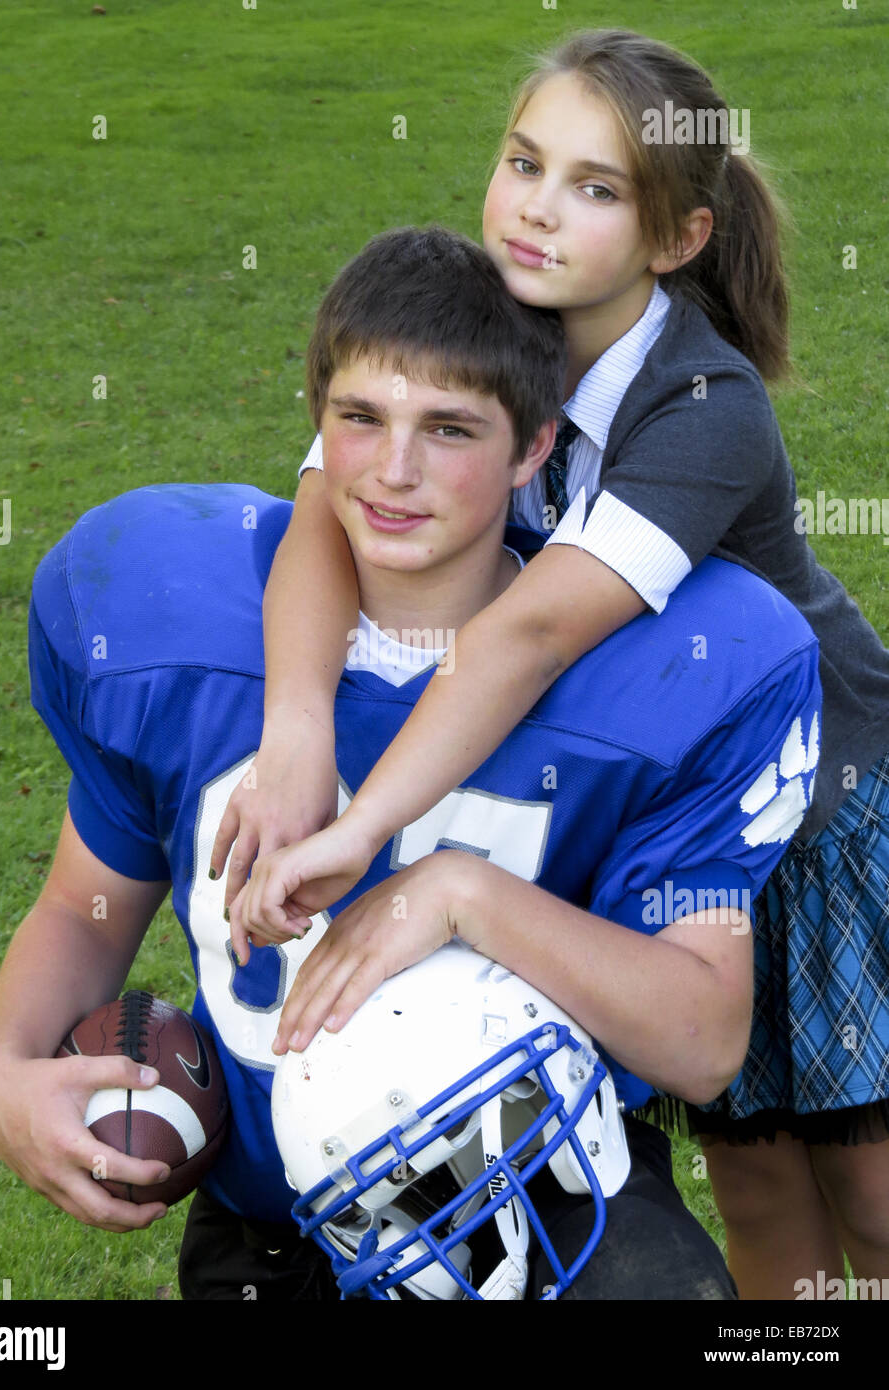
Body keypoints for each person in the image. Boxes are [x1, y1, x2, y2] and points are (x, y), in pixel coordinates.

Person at [0, 225, 820, 1301]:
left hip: (557, 1193)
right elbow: (81, 907)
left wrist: (461, 894)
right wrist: (5, 1066)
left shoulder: (670, 668)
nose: (398, 471)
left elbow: (701, 1039)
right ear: (319, 431)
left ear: (533, 450)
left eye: (451, 429)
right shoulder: (178, 632)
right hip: (274, 1231)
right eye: (362, 420)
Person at [219, 29, 889, 1299]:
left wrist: (360, 826)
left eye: (595, 188)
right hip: (660, 805)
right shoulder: (482, 316)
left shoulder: (705, 407)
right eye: (524, 161)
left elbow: (531, 634)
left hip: (815, 800)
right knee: (749, 1176)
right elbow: (317, 510)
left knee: (867, 1178)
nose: (536, 208)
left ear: (678, 238)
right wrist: (296, 728)